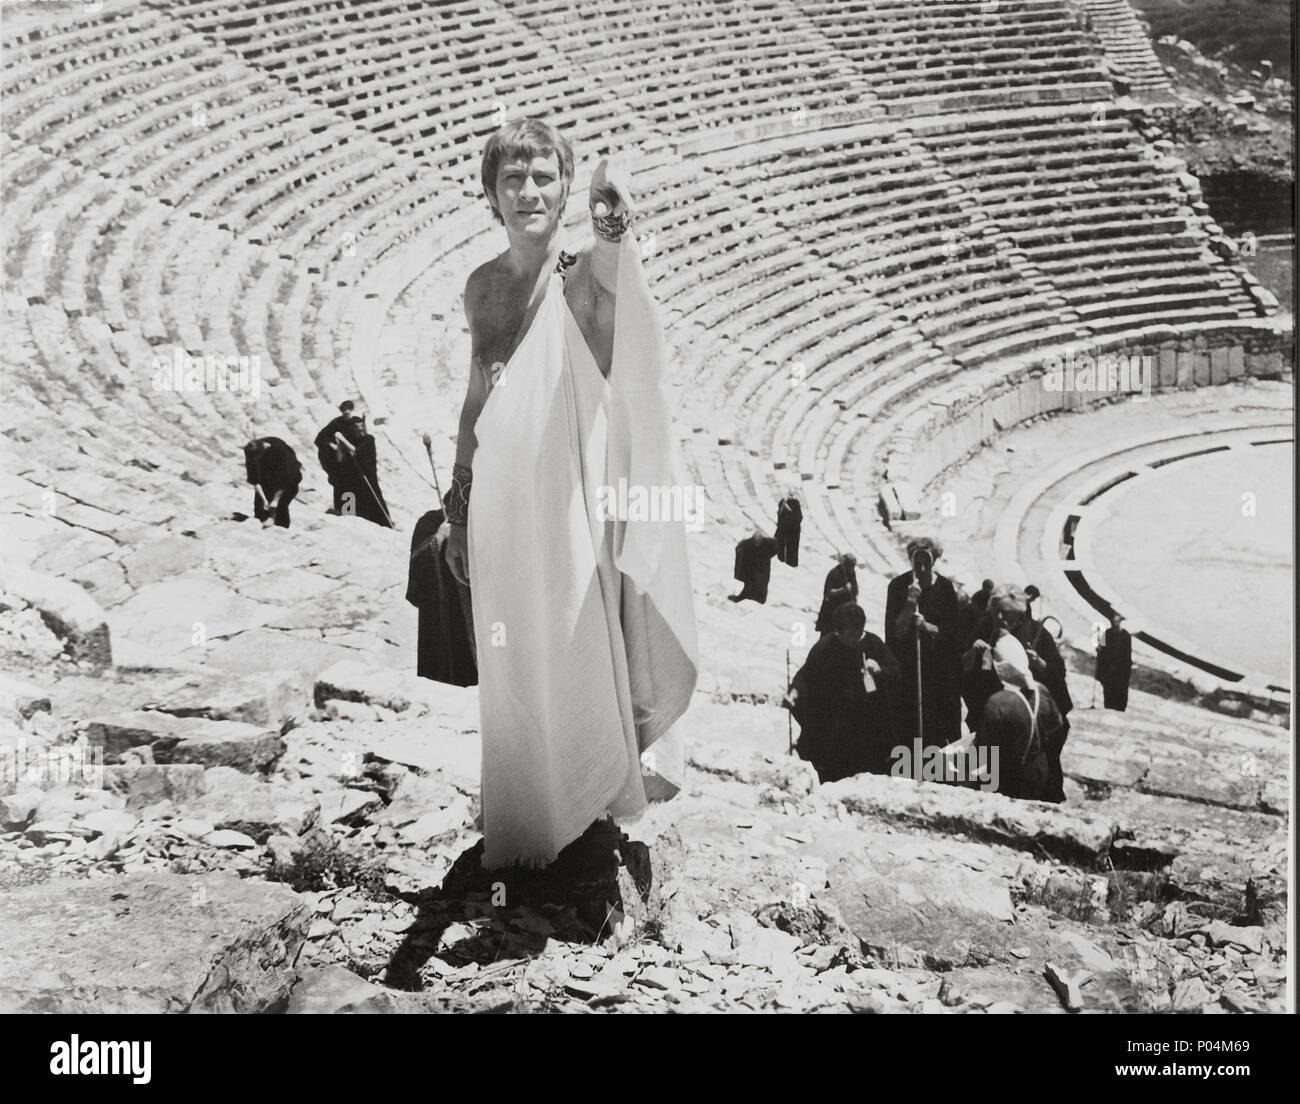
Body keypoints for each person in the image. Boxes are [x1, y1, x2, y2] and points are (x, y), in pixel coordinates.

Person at [443, 118, 698, 870]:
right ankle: (522, 825)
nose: (529, 190)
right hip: (500, 512)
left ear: (563, 190)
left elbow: (621, 293)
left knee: (573, 646)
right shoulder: (483, 289)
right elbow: (474, 401)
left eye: (544, 177)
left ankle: (583, 812)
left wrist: (614, 220)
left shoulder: (582, 276)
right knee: (514, 663)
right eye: (512, 177)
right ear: (491, 195)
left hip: (569, 515)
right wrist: (458, 512)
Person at [961, 583, 1072, 801]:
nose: (1001, 617)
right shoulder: (984, 626)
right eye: (997, 611)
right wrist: (973, 654)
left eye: (1007, 613)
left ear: (1020, 613)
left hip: (1028, 722)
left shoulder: (1035, 632)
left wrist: (1039, 663)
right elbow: (963, 668)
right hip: (992, 714)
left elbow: (1057, 673)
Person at [786, 602, 900, 783]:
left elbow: (895, 671)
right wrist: (794, 693)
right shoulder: (825, 647)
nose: (848, 640)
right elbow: (806, 675)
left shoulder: (873, 644)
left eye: (853, 635)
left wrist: (879, 669)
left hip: (866, 725)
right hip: (834, 725)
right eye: (842, 634)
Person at [885, 537, 962, 751]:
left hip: (938, 671)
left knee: (937, 724)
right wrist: (910, 602)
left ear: (934, 560)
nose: (921, 567)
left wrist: (928, 627)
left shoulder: (945, 588)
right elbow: (894, 633)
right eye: (916, 561)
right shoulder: (898, 586)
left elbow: (953, 634)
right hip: (909, 669)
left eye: (926, 561)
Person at [973, 635, 1062, 802]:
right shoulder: (1041, 690)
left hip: (1007, 775)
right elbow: (1055, 723)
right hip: (1037, 769)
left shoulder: (998, 703)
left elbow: (983, 747)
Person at [406, 508, 477, 686]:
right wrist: (438, 539)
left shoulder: (482, 518)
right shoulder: (431, 521)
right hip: (445, 616)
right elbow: (417, 574)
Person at [330, 414, 392, 527]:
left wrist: (343, 440)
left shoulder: (368, 439)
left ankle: (385, 524)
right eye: (356, 427)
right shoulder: (350, 440)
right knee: (353, 501)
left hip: (368, 477)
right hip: (354, 478)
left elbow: (357, 452)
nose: (359, 429)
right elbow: (340, 459)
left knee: (373, 502)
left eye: (361, 426)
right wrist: (340, 444)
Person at [243, 437, 301, 529]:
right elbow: (255, 480)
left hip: (291, 477)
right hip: (267, 477)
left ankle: (281, 529)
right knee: (260, 507)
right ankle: (262, 527)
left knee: (281, 505)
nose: (255, 460)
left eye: (258, 458)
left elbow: (287, 480)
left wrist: (275, 500)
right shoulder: (251, 452)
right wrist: (264, 500)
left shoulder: (281, 452)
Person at [814, 552, 858, 637]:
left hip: (844, 614)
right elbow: (828, 593)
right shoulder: (834, 574)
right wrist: (843, 589)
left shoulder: (852, 573)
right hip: (831, 614)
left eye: (853, 566)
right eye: (850, 566)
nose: (852, 569)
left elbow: (855, 589)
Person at [731, 528, 779, 603]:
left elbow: (776, 548)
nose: (757, 542)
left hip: (762, 570)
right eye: (756, 539)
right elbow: (739, 549)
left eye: (759, 539)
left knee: (761, 585)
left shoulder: (768, 544)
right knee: (748, 584)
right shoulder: (748, 543)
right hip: (752, 569)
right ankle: (745, 597)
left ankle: (759, 600)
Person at [1096, 613, 1133, 711]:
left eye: (1117, 622)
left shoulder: (1126, 636)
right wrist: (1099, 649)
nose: (1114, 624)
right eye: (1113, 622)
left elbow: (1127, 655)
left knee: (1120, 690)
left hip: (1120, 670)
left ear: (1120, 622)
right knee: (1108, 690)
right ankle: (1109, 705)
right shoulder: (1106, 633)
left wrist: (1126, 671)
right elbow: (1101, 649)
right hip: (1108, 668)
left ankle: (1120, 707)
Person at [774, 491, 802, 567]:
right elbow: (799, 516)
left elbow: (798, 516)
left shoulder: (794, 503)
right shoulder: (784, 502)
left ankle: (790, 562)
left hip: (791, 529)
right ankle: (784, 561)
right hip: (787, 528)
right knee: (784, 545)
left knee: (791, 546)